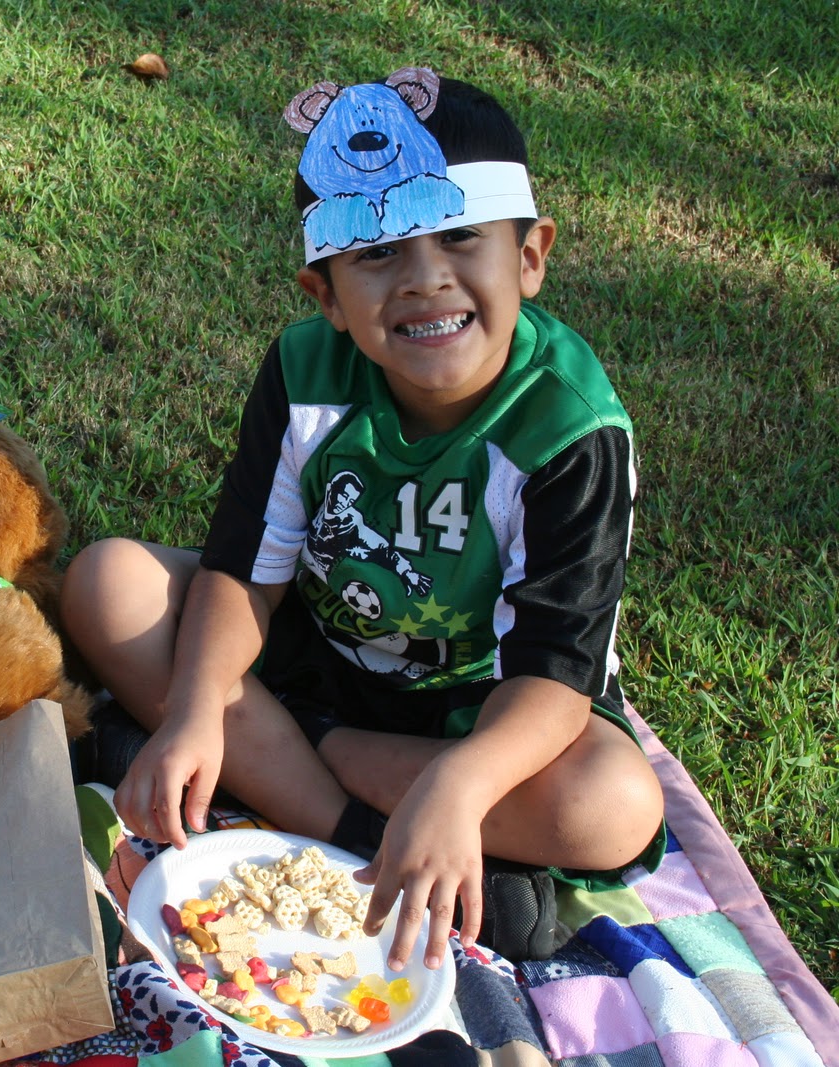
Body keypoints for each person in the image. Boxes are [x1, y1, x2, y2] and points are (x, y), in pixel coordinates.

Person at [62, 69, 665, 969]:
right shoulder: (307, 371)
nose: (425, 280)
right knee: (108, 581)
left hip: (487, 707)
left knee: (614, 803)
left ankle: (294, 770)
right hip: (322, 654)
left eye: (460, 236)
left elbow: (555, 679)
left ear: (530, 255)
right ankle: (363, 833)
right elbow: (243, 573)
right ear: (327, 297)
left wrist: (461, 784)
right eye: (378, 254)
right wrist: (194, 708)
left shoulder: (570, 428)